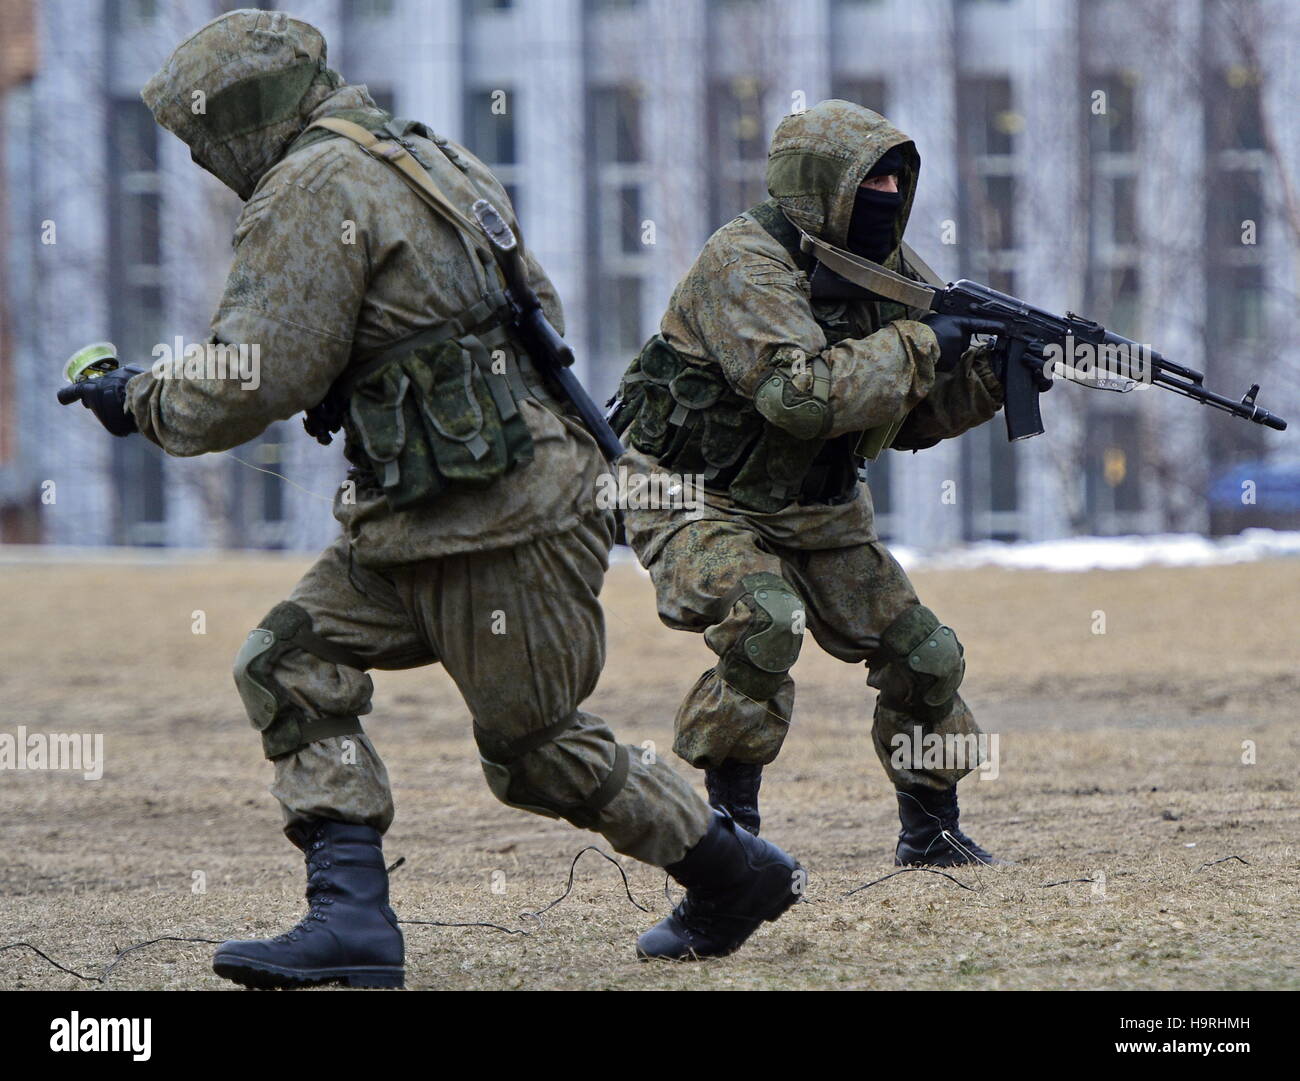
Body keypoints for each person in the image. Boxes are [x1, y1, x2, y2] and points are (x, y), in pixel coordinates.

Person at [65, 9, 802, 986]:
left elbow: (256, 374)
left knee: (535, 753)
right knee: (288, 660)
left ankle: (732, 871)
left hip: (498, 521)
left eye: (204, 138)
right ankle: (352, 923)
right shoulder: (423, 156)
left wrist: (140, 400)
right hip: (424, 513)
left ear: (240, 121)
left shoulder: (311, 184)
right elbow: (536, 306)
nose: (203, 160)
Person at [610, 98, 1005, 867]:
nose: (889, 198)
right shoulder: (745, 263)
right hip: (694, 495)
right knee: (766, 622)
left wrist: (991, 375)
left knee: (924, 655)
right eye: (871, 184)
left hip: (816, 506)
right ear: (821, 188)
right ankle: (730, 846)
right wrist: (925, 344)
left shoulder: (885, 269)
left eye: (899, 180)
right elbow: (800, 397)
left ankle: (932, 831)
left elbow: (909, 418)